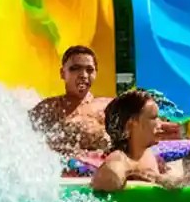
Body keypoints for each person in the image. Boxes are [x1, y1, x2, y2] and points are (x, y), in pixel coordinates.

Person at [30, 45, 179, 166]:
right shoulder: (48, 108)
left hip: (103, 166)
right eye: (75, 68)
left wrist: (182, 130)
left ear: (95, 74)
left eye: (89, 70)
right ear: (62, 73)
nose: (83, 75)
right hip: (67, 168)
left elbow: (151, 127)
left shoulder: (107, 106)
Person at [91, 90, 190, 193]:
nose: (160, 124)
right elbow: (106, 178)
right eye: (154, 118)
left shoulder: (145, 153)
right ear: (131, 125)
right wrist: (137, 174)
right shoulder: (121, 158)